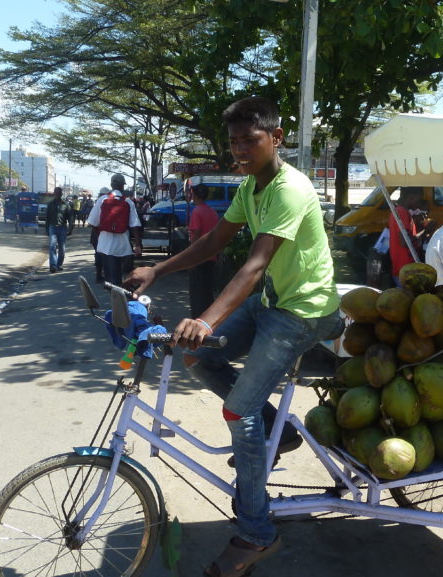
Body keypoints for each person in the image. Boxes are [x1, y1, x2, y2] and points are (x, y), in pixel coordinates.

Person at [125, 96, 341, 577]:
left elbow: (255, 264)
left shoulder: (289, 188)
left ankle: (256, 533)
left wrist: (206, 320)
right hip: (271, 302)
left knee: (238, 410)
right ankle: (277, 431)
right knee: (196, 359)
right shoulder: (251, 188)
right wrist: (158, 269)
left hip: (302, 313)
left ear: (276, 138)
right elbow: (214, 243)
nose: (240, 149)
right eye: (234, 142)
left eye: (251, 139)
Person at [87, 174, 142, 284]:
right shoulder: (128, 202)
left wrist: (101, 234)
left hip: (105, 245)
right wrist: (137, 245)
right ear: (122, 186)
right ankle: (119, 294)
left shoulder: (102, 200)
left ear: (111, 184)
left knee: (110, 277)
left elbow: (93, 222)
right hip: (123, 245)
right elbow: (134, 225)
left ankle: (115, 296)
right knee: (120, 275)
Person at [187, 184, 220, 317]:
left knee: (197, 294)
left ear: (194, 195)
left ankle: (197, 321)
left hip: (198, 258)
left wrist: (190, 256)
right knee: (207, 292)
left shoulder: (197, 211)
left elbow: (196, 234)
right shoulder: (212, 212)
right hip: (211, 256)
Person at [388, 186, 428, 287]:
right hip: (404, 269)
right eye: (420, 198)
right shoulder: (401, 212)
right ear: (411, 197)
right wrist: (425, 231)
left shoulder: (401, 211)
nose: (420, 203)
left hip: (404, 268)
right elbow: (405, 241)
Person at [44, 186, 74, 273]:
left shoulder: (66, 205)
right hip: (52, 227)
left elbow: (70, 217)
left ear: (61, 194)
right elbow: (47, 217)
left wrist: (71, 228)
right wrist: (46, 229)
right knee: (52, 246)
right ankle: (53, 265)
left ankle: (59, 264)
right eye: (56, 193)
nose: (57, 194)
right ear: (54, 194)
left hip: (62, 228)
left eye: (59, 193)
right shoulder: (50, 204)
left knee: (62, 248)